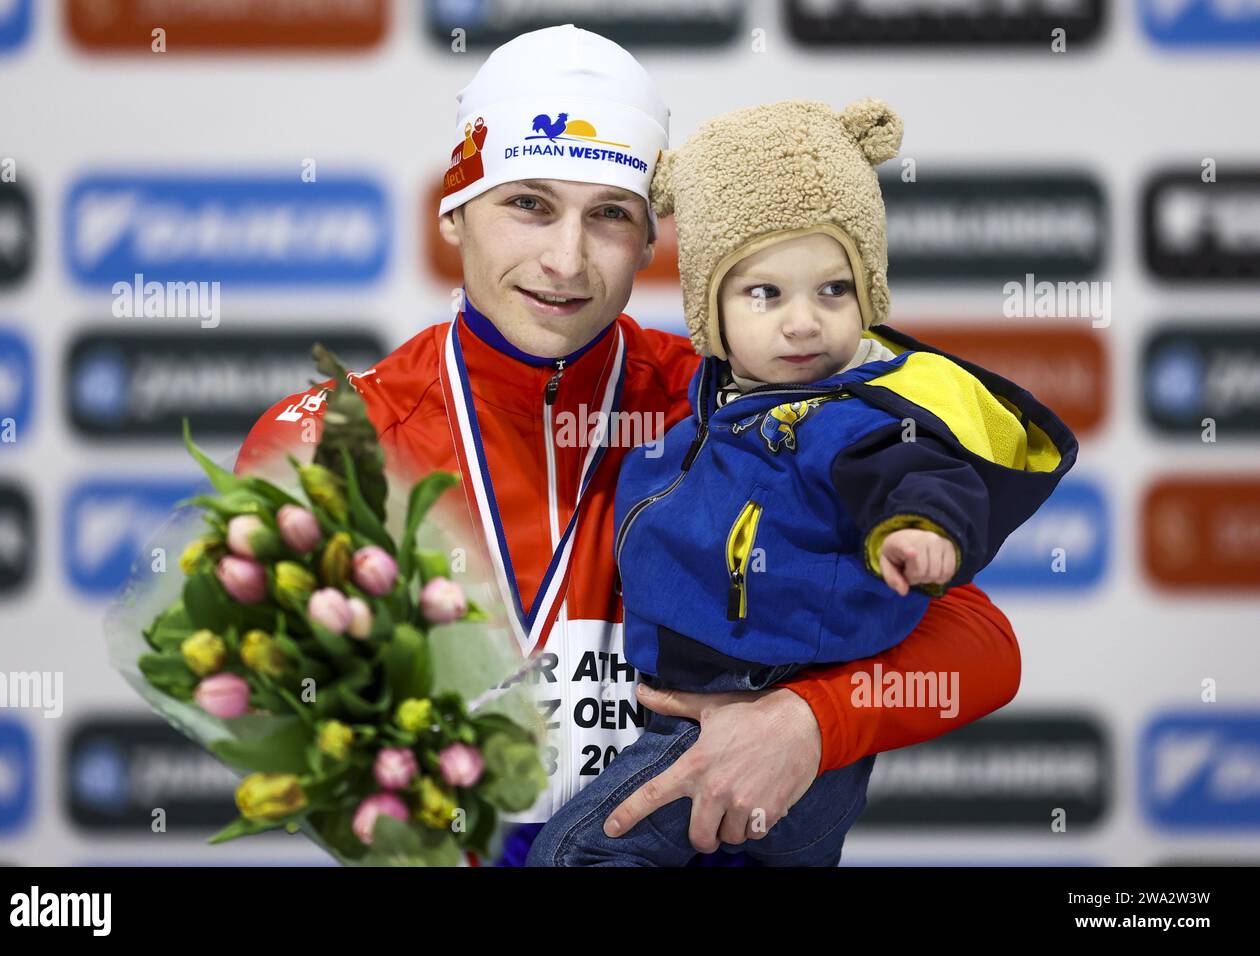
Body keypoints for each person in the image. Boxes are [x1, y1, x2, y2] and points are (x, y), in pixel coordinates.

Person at [232, 24, 1025, 867]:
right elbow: (273, 711)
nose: (565, 260)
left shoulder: (733, 409)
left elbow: (981, 647)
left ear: (652, 242)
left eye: (609, 215)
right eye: (528, 203)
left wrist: (806, 723)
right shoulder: (333, 442)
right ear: (456, 212)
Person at [524, 100, 1078, 866]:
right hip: (723, 729)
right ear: (709, 310)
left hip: (755, 706)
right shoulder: (724, 402)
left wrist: (917, 532)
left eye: (833, 290)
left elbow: (912, 475)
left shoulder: (836, 410)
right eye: (765, 294)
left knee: (573, 857)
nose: (802, 324)